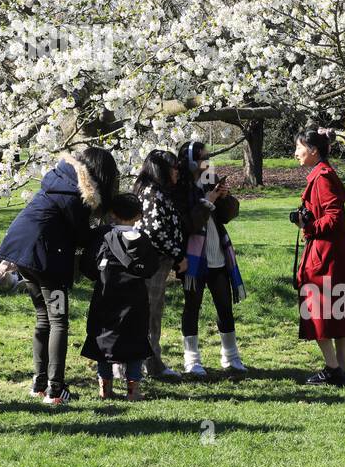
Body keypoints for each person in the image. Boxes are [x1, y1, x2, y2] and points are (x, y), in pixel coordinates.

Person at [0, 146, 119, 405]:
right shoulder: (75, 194)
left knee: (43, 319)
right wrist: (108, 229)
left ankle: (39, 383)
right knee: (58, 321)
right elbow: (82, 236)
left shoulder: (61, 180)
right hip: (45, 258)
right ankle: (55, 388)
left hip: (23, 253)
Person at [294, 127, 345, 386]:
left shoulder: (322, 177)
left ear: (313, 151)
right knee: (339, 309)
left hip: (326, 254)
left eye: (299, 148)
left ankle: (333, 368)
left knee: (317, 307)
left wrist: (307, 226)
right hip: (335, 252)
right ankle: (340, 369)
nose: (295, 153)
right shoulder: (325, 174)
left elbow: (333, 217)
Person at [174, 141, 247, 376]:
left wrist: (224, 197)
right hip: (195, 258)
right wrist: (208, 200)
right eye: (203, 156)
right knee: (192, 308)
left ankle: (231, 357)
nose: (208, 160)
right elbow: (191, 224)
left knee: (225, 306)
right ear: (191, 161)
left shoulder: (209, 181)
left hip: (217, 255)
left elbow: (228, 216)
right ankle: (192, 360)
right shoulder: (181, 190)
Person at [80, 193, 157, 401]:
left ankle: (104, 387)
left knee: (104, 340)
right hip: (136, 300)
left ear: (112, 214)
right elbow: (151, 268)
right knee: (136, 340)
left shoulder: (104, 237)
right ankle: (133, 389)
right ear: (139, 215)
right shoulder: (144, 240)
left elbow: (88, 266)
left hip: (106, 296)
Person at [134, 149, 185, 379]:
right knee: (149, 315)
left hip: (157, 263)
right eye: (174, 167)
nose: (177, 172)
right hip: (152, 263)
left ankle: (149, 362)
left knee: (152, 314)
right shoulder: (153, 193)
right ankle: (150, 364)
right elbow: (155, 231)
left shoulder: (155, 192)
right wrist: (177, 254)